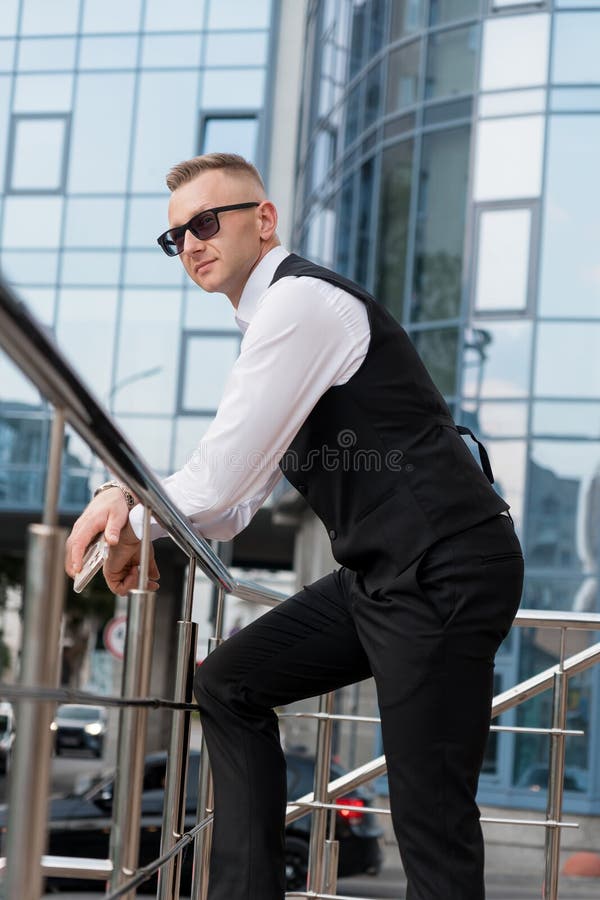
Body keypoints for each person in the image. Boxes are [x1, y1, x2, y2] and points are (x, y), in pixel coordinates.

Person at [65, 153, 524, 900]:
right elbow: (239, 503)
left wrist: (123, 500)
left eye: (207, 223)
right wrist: (144, 529)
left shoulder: (299, 305)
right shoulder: (275, 323)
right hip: (384, 572)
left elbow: (215, 485)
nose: (191, 244)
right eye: (175, 236)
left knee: (429, 815)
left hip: (443, 564)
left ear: (264, 220)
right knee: (232, 681)